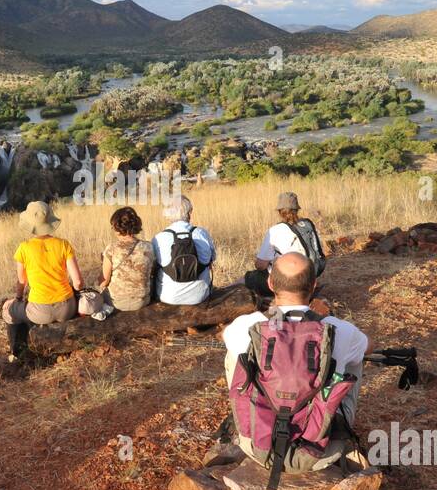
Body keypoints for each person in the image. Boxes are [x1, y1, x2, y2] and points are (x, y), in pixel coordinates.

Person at [222, 252, 370, 470]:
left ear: (271, 283)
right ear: (313, 285)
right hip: (321, 452)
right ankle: (331, 422)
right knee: (356, 359)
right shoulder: (339, 329)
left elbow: (226, 335)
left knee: (236, 356)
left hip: (257, 447)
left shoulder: (248, 326)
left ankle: (251, 419)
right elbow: (369, 346)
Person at [3, 201, 84, 359]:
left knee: (8, 311)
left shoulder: (24, 248)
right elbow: (78, 282)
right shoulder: (63, 245)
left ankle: (18, 353)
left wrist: (17, 300)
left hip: (40, 311)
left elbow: (21, 282)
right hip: (67, 308)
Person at [244, 191, 325, 299]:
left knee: (248, 278)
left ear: (279, 211)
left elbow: (261, 265)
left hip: (288, 283)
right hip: (309, 277)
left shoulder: (275, 231)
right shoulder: (308, 225)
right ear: (297, 209)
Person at [152, 194, 215, 305]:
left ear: (167, 214)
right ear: (189, 212)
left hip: (168, 297)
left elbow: (153, 266)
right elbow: (212, 259)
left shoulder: (159, 238)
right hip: (200, 295)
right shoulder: (202, 233)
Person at [97, 206, 155, 316]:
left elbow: (104, 281)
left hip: (117, 302)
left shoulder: (111, 249)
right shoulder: (149, 247)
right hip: (142, 301)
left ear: (116, 227)